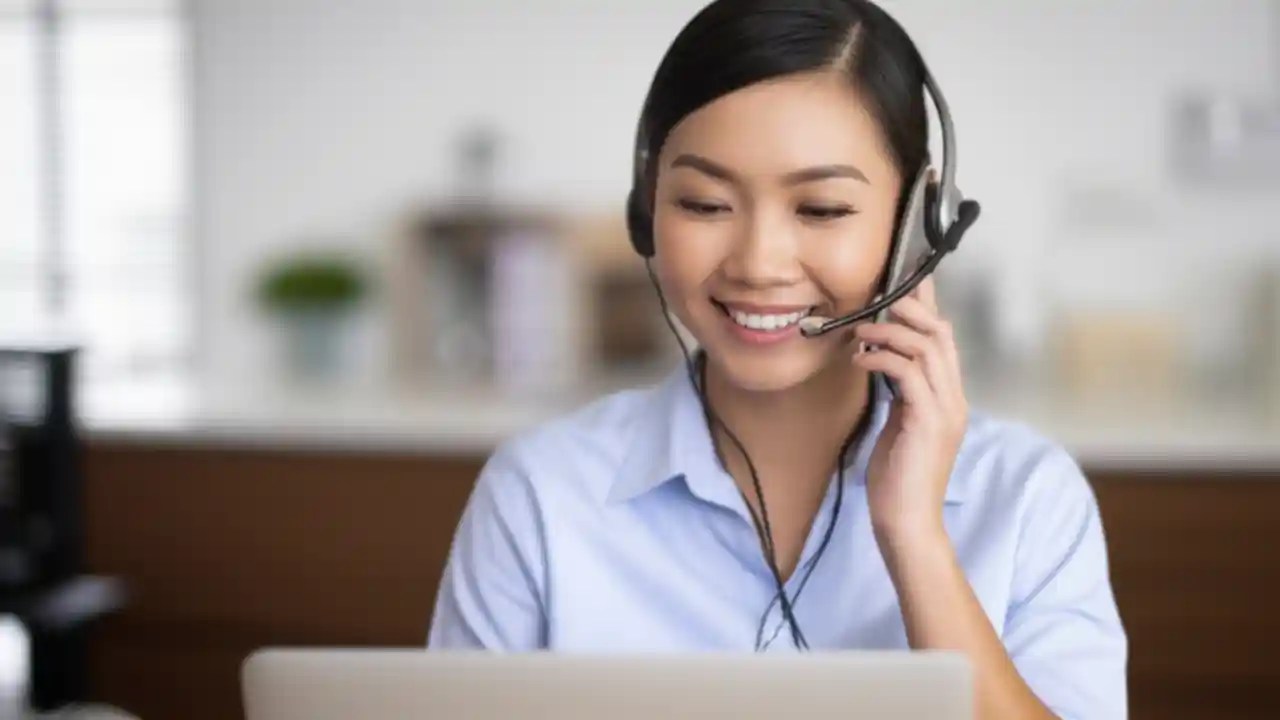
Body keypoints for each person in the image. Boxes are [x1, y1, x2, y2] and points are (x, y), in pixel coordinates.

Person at [428, 1, 1127, 717]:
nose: (760, 265)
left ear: (919, 226)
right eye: (703, 203)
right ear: (647, 209)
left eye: (821, 209)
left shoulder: (1028, 500)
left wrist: (915, 538)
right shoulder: (540, 497)